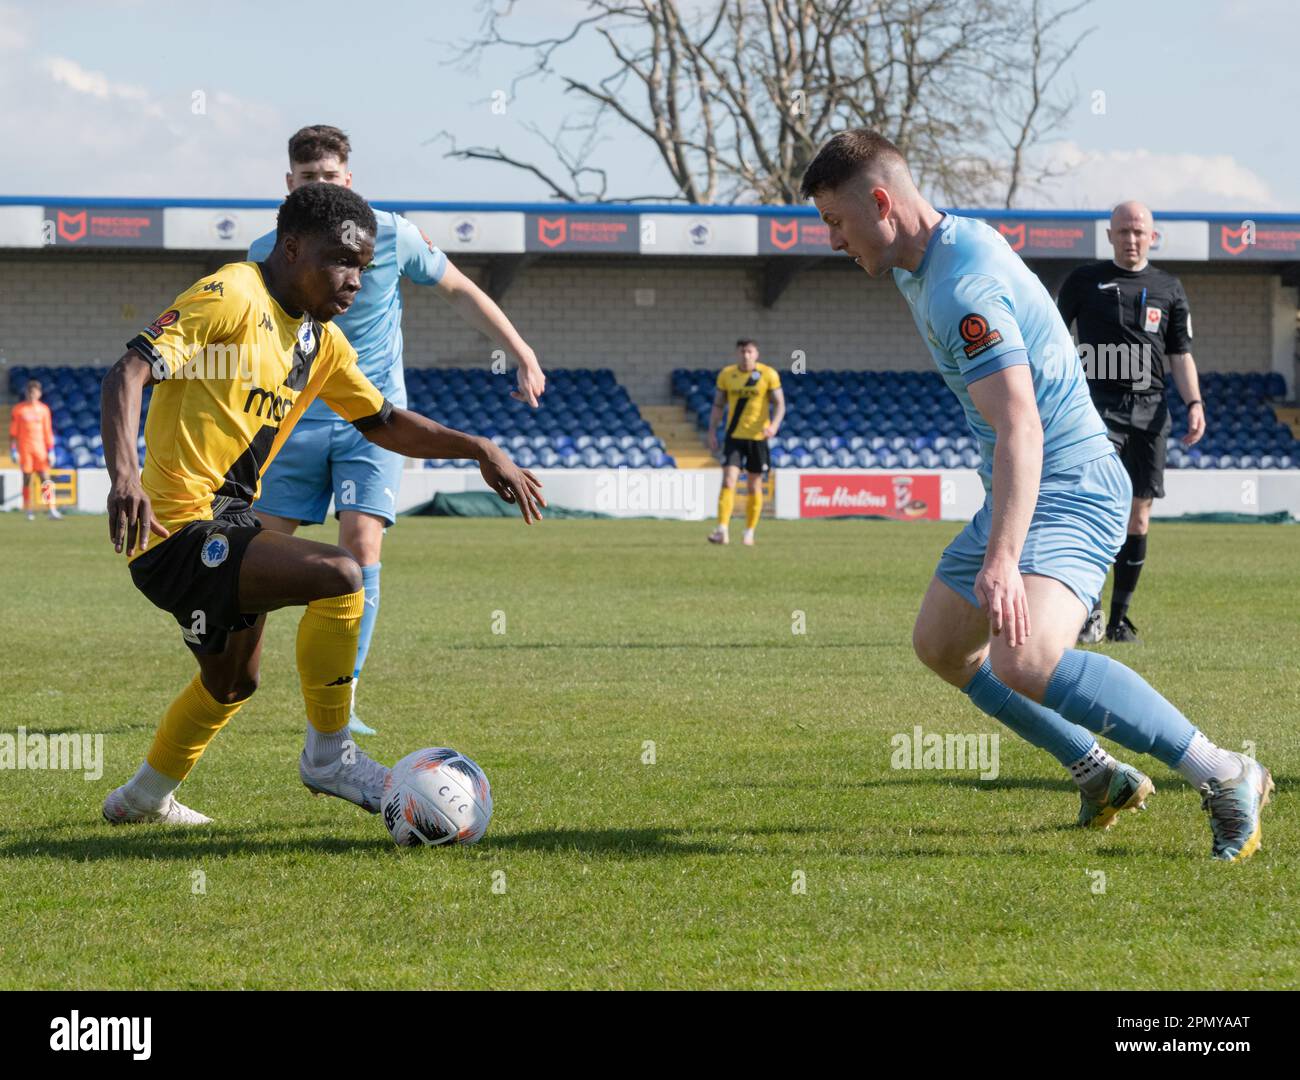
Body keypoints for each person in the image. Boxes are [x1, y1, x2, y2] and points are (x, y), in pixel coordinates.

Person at [800, 128, 1271, 861]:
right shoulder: (922, 257)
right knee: (943, 645)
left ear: (883, 203)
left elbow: (1021, 425)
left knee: (1024, 655)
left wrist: (1003, 558)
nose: (831, 240)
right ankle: (1101, 774)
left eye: (835, 221)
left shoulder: (963, 288)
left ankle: (1225, 771)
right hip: (1022, 487)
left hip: (1070, 482)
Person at [99, 183, 544, 826]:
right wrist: (124, 478)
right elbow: (128, 371)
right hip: (175, 528)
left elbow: (384, 421)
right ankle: (330, 756)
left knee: (232, 682)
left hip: (225, 523)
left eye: (363, 267)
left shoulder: (320, 343)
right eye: (341, 261)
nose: (355, 281)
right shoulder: (230, 295)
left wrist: (477, 446)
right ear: (291, 247)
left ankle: (140, 800)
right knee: (341, 573)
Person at [248, 125, 546, 734]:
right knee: (257, 553)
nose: (320, 186)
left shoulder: (396, 234)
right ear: (289, 184)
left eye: (330, 177)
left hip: (375, 420)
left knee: (361, 545)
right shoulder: (269, 250)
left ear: (348, 179)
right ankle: (228, 677)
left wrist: (520, 350)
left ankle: (342, 694)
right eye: (309, 179)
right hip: (292, 421)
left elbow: (459, 289)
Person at [1057, 201, 1205, 644]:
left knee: (1139, 515)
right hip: (1096, 409)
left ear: (1152, 236)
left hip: (1150, 412)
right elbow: (1054, 338)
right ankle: (1089, 611)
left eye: (1139, 231)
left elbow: (1180, 354)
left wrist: (1194, 402)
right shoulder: (1084, 281)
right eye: (1123, 231)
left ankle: (1119, 618)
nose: (1131, 238)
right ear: (1109, 235)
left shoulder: (1169, 287)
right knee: (1096, 509)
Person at [707, 339, 784, 546]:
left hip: (758, 438)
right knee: (728, 481)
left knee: (754, 485)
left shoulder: (768, 374)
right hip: (734, 437)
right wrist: (712, 430)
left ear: (756, 353)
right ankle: (722, 530)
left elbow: (780, 405)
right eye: (742, 351)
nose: (746, 355)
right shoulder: (726, 375)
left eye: (750, 351)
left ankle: (749, 531)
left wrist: (774, 425)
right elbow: (718, 405)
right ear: (737, 353)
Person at [9, 379, 62, 521]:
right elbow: (13, 433)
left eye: (34, 392)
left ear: (39, 393)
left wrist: (51, 450)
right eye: (29, 392)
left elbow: (47, 431)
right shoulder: (19, 409)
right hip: (25, 450)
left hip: (40, 450)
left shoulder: (44, 410)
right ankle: (28, 509)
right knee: (26, 479)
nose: (32, 395)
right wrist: (14, 450)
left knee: (45, 479)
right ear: (26, 393)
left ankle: (51, 508)